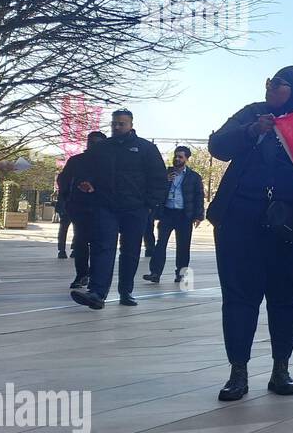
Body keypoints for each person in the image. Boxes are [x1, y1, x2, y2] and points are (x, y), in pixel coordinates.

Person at [207, 67, 293, 401]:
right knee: (240, 297)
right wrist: (252, 130)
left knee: (286, 298)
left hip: (292, 225)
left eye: (279, 84)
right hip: (240, 221)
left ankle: (280, 369)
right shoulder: (252, 113)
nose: (269, 87)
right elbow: (218, 145)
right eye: (268, 81)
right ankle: (237, 372)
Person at [69, 110, 166, 310]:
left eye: (121, 124)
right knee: (103, 247)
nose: (117, 127)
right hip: (105, 206)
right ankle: (97, 292)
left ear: (131, 124)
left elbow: (159, 179)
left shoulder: (146, 149)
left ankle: (126, 291)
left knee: (130, 251)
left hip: (136, 208)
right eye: (114, 123)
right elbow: (83, 171)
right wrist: (85, 182)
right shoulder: (102, 148)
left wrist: (149, 204)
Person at [145, 146, 204, 284]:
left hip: (184, 215)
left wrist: (198, 215)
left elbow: (199, 196)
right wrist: (166, 181)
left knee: (183, 246)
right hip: (167, 213)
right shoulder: (165, 174)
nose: (177, 159)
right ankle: (155, 273)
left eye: (180, 157)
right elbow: (156, 190)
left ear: (187, 159)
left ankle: (181, 274)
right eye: (176, 156)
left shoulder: (193, 177)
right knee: (161, 244)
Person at [57, 132, 106, 290]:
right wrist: (67, 199)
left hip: (102, 207)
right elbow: (63, 179)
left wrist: (95, 189)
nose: (93, 146)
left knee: (99, 243)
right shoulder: (76, 161)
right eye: (91, 142)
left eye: (97, 143)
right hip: (79, 207)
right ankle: (82, 274)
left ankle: (95, 276)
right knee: (80, 242)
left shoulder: (109, 163)